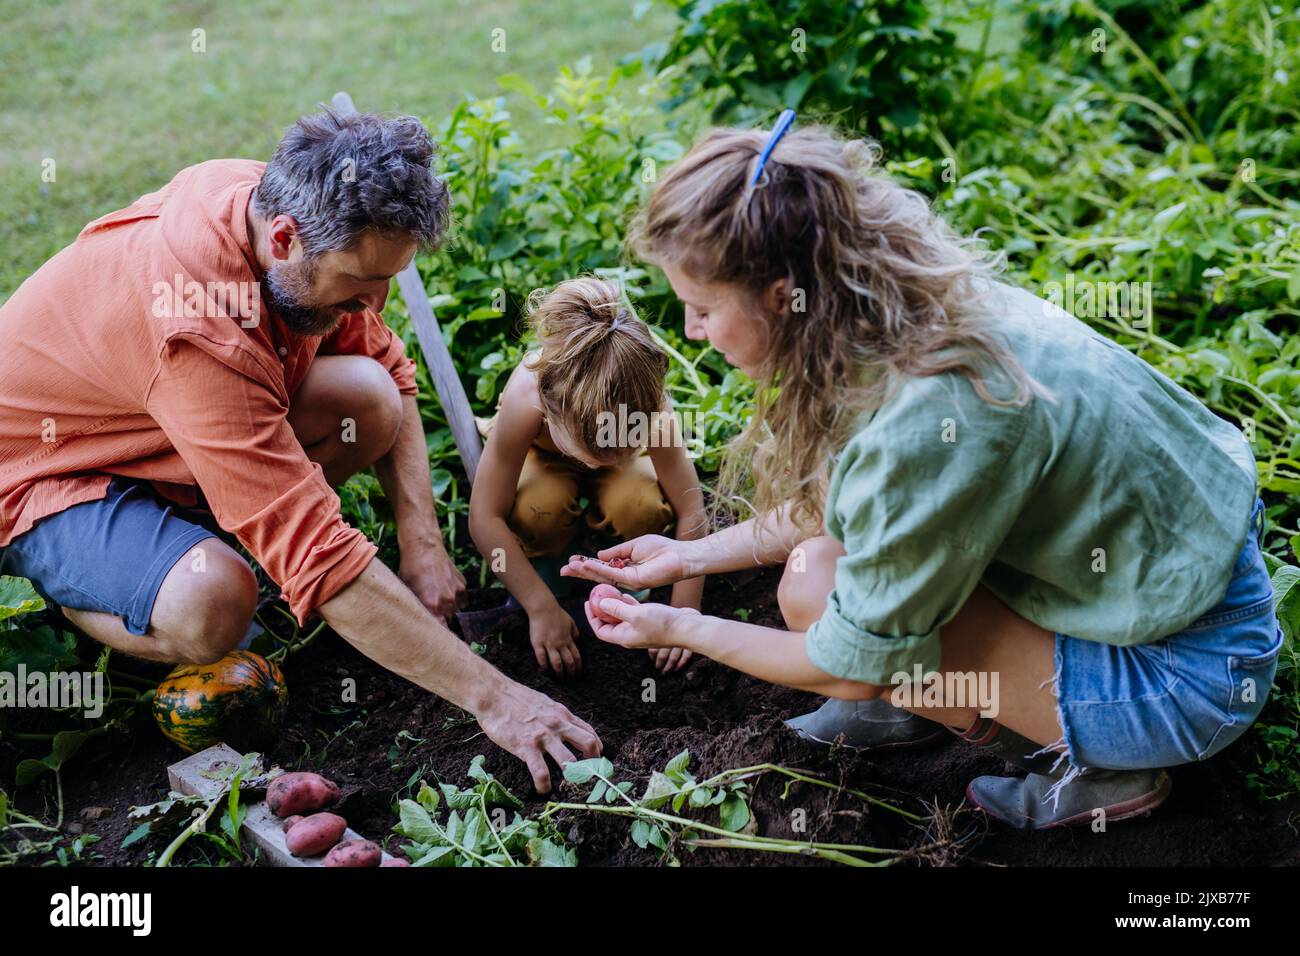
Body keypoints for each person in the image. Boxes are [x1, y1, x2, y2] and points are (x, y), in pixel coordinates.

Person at [562, 115, 1284, 828]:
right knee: (824, 566)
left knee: (820, 593)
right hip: (1182, 593)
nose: (693, 332)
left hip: (1190, 679)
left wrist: (682, 625)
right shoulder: (908, 310)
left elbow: (852, 665)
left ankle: (1098, 763)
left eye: (701, 309)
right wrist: (689, 554)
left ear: (783, 294)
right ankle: (937, 702)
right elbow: (846, 503)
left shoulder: (934, 414)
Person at [0, 108, 599, 794]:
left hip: (155, 426)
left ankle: (199, 531)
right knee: (217, 600)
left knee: (367, 398)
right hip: (50, 471)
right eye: (360, 284)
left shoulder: (270, 207)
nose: (376, 304)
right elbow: (319, 556)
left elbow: (395, 375)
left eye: (388, 281)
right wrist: (498, 700)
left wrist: (422, 540)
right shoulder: (199, 331)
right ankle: (89, 592)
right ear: (284, 238)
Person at [469, 277, 706, 677]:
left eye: (620, 446)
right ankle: (546, 571)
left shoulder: (645, 402)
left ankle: (632, 573)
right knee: (536, 507)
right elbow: (484, 517)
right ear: (550, 407)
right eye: (590, 454)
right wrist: (539, 608)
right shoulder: (528, 394)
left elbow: (691, 507)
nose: (597, 464)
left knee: (637, 503)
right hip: (543, 458)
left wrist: (683, 613)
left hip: (615, 465)